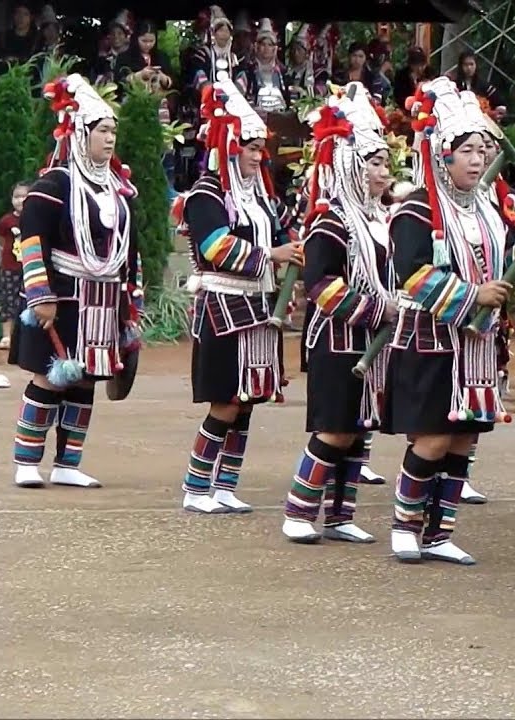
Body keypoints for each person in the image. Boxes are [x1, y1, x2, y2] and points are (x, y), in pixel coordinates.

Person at [383, 76, 513, 565]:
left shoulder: (487, 209)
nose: (478, 160)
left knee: (464, 439)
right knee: (434, 437)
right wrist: (472, 294)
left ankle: (441, 533)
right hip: (433, 338)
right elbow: (413, 276)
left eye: (483, 150)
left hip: (476, 343)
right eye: (468, 151)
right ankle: (405, 523)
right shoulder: (416, 208)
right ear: (444, 155)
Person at [11, 73, 142, 490]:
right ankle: (26, 459)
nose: (110, 138)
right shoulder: (54, 186)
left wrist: (129, 303)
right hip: (63, 295)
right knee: (50, 376)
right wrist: (40, 294)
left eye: (113, 131)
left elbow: (129, 251)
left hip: (103, 297)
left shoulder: (119, 191)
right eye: (102, 130)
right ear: (81, 133)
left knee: (86, 377)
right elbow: (31, 240)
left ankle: (68, 462)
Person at [177, 77, 301, 514]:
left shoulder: (263, 197)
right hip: (224, 306)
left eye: (259, 148)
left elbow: (288, 229)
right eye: (249, 147)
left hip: (259, 305)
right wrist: (274, 253)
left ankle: (226, 485)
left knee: (249, 400)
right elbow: (215, 246)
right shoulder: (208, 193)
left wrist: (297, 247)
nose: (257, 155)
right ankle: (196, 488)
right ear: (229, 145)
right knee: (226, 400)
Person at [280, 82, 394, 544]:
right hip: (336, 339)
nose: (384, 172)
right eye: (375, 163)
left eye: (387, 162)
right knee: (335, 428)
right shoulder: (330, 220)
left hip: (368, 338)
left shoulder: (379, 220)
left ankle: (341, 515)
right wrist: (378, 308)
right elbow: (321, 287)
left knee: (359, 428)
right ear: (350, 165)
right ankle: (299, 509)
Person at [0, 182, 28, 351]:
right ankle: (7, 336)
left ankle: (24, 339)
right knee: (8, 300)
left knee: (29, 302)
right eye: (16, 196)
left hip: (31, 267)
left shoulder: (35, 218)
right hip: (10, 266)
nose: (20, 200)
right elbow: (2, 241)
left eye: (24, 196)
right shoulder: (6, 220)